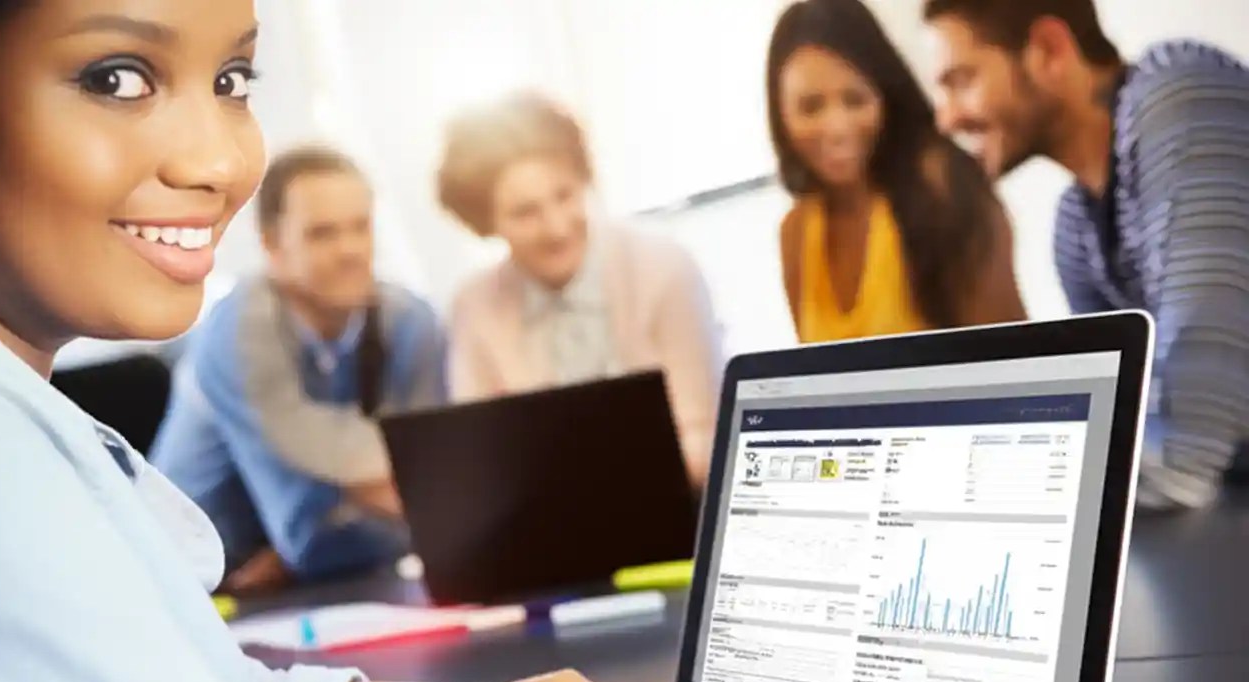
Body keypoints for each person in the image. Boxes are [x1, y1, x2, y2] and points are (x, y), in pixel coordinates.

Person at [0, 0, 665, 682]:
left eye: (233, 81)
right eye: (116, 79)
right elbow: (353, 520)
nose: (222, 161)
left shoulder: (406, 319)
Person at [923, 0, 1249, 510]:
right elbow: (1116, 427)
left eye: (961, 79)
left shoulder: (1179, 90)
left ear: (1050, 50)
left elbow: (1184, 453)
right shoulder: (1076, 227)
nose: (946, 118)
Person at [150, 146, 444, 596]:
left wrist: (387, 495)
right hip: (201, 587)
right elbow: (310, 539)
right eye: (322, 234)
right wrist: (398, 497)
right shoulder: (237, 333)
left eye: (360, 228)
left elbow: (431, 476)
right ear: (272, 245)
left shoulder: (410, 321)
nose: (350, 250)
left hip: (319, 587)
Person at [438, 90, 723, 486]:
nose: (556, 227)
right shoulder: (473, 307)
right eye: (525, 213)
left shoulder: (665, 269)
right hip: (547, 524)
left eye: (565, 195)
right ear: (485, 220)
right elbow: (483, 457)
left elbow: (710, 436)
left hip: (683, 501)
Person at [769, 0, 1027, 345]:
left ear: (884, 95)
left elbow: (1015, 360)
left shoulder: (943, 188)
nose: (836, 127)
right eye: (810, 106)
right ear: (780, 112)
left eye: (855, 99)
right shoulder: (796, 233)